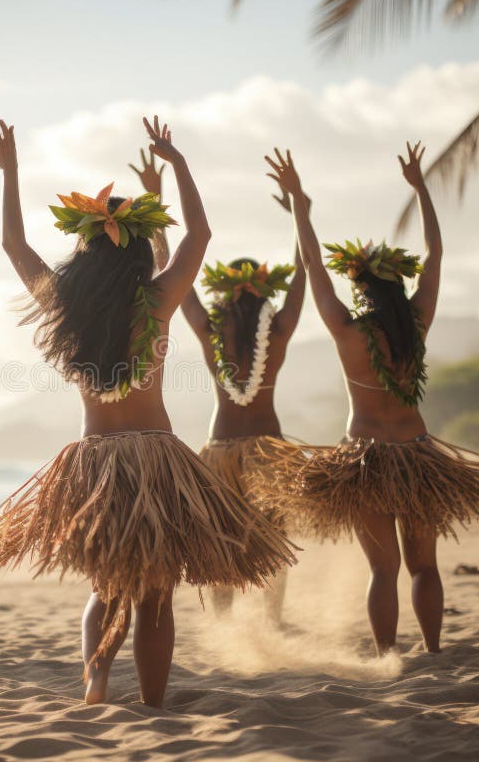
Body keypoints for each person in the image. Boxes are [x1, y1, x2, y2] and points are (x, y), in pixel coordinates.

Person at [0, 117, 295, 708]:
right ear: (140, 250)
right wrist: (177, 163)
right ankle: (151, 704)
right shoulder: (159, 300)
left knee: (105, 585)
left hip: (94, 463)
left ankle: (96, 679)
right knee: (156, 598)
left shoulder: (66, 307)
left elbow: (14, 246)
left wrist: (10, 171)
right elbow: (199, 235)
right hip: (155, 458)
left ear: (85, 252)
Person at [265, 144, 479, 655]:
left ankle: (388, 655)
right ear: (399, 286)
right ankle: (434, 651)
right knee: (424, 566)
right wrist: (420, 189)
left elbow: (312, 263)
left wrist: (300, 209)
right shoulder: (418, 323)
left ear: (362, 291)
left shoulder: (348, 332)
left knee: (383, 569)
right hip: (417, 455)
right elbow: (437, 257)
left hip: (366, 460)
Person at [174, 180, 308, 626]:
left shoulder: (213, 333)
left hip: (221, 449)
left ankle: (223, 626)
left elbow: (182, 289)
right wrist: (299, 214)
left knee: (222, 537)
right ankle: (273, 619)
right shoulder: (280, 330)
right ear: (264, 293)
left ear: (226, 293)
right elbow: (305, 272)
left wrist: (157, 220)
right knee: (272, 536)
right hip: (269, 449)